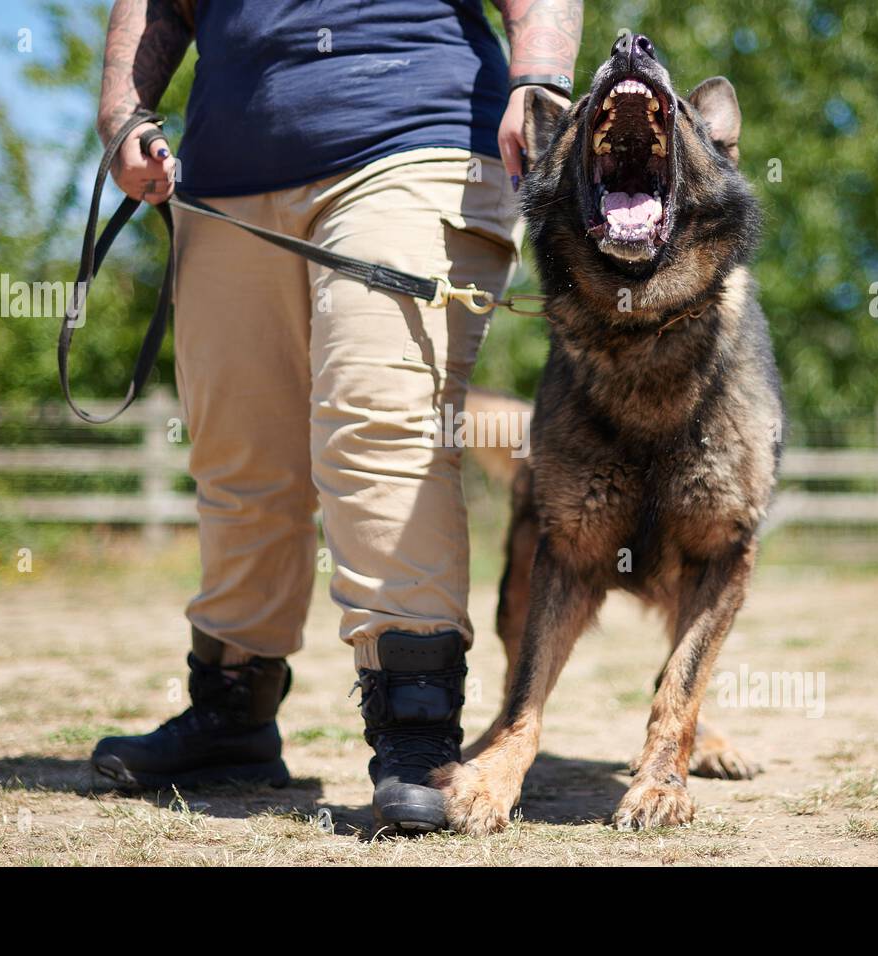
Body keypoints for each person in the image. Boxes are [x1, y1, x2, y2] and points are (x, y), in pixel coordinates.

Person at [88, 0, 582, 833]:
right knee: (241, 448)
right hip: (226, 176)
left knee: (381, 422)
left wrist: (537, 79)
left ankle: (418, 734)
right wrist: (123, 114)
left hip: (412, 135)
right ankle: (232, 709)